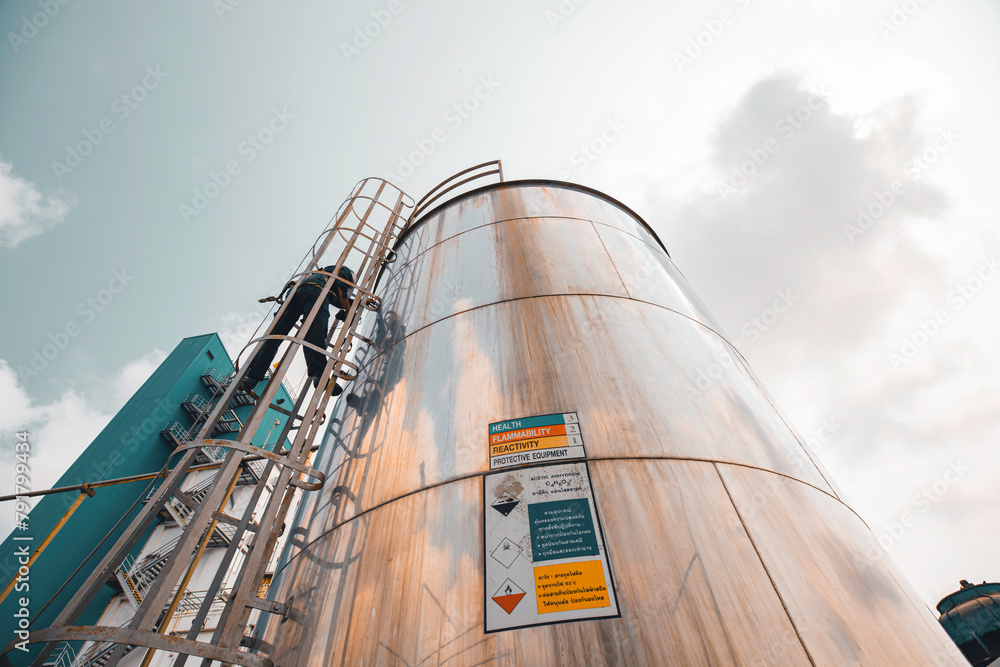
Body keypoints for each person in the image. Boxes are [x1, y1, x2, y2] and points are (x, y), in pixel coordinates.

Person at [241, 265, 355, 395]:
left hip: (294, 294)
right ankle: (319, 375)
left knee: (274, 336)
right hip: (315, 291)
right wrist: (348, 311)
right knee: (314, 331)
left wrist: (356, 302)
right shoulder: (343, 271)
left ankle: (252, 377)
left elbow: (338, 299)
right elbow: (342, 294)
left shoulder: (317, 275)